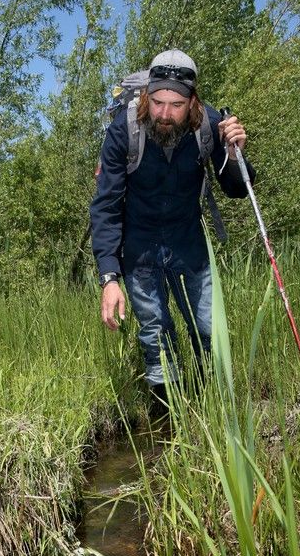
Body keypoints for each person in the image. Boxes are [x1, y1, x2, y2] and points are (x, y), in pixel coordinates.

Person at [89, 48, 255, 410]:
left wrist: (236, 152)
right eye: (158, 101)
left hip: (187, 240)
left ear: (192, 102)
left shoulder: (209, 125)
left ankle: (210, 405)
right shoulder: (125, 130)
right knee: (155, 336)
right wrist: (109, 276)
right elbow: (105, 206)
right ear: (148, 95)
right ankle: (168, 423)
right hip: (139, 245)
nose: (164, 114)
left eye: (175, 104)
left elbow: (238, 190)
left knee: (210, 329)